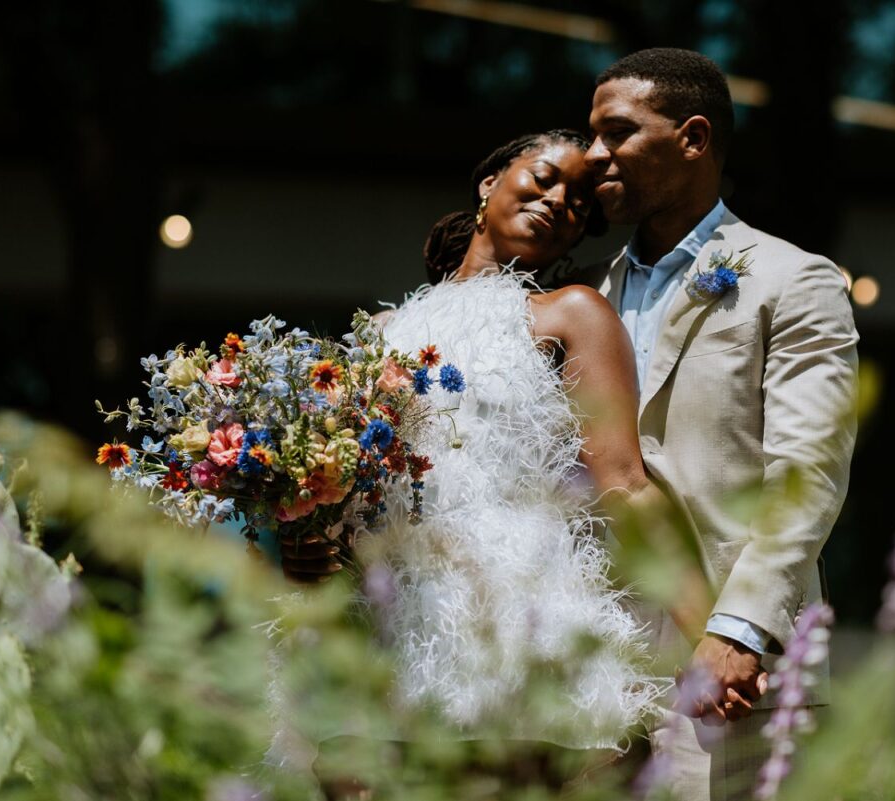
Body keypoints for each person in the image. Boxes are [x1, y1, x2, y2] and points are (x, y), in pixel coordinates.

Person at [280, 129, 708, 761]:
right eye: (546, 177)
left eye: (581, 204)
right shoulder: (375, 334)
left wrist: (713, 635)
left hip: (514, 609)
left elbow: (623, 483)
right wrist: (302, 542)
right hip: (383, 617)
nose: (562, 199)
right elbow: (333, 490)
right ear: (489, 184)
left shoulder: (571, 313)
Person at [582, 49, 859, 800]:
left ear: (694, 137)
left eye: (616, 133)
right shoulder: (584, 300)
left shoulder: (790, 279)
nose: (592, 155)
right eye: (590, 134)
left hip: (732, 667)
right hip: (592, 672)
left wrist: (741, 629)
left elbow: (808, 471)